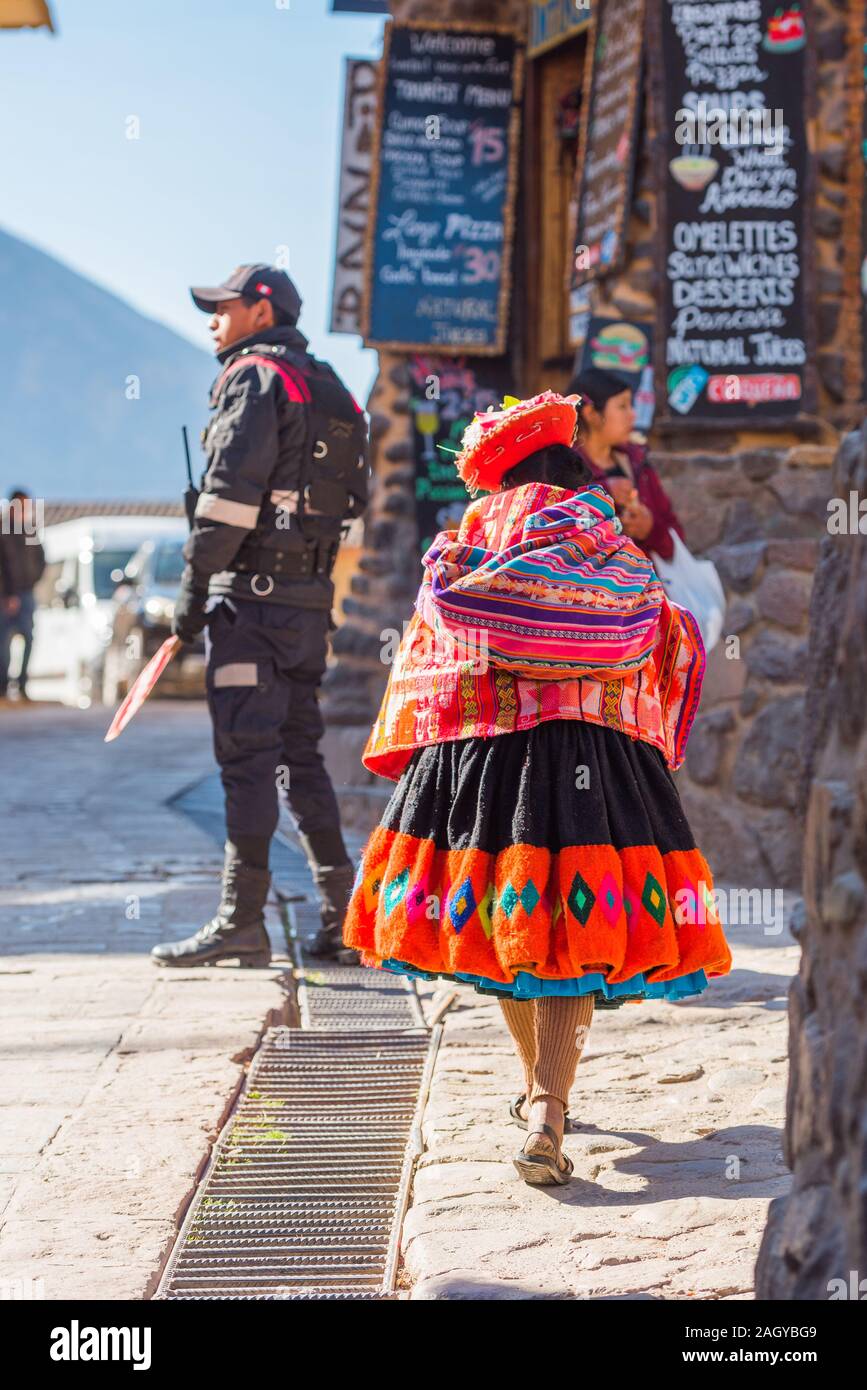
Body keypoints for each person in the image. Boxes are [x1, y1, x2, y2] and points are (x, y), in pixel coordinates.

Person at [343, 392, 731, 1186]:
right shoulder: (605, 536)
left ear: (498, 474)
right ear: (567, 462)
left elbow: (429, 653)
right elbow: (656, 628)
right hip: (593, 754)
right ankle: (547, 1104)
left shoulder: (469, 540)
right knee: (575, 930)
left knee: (509, 925)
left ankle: (537, 1100)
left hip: (487, 756)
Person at [151, 265, 368, 970]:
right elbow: (354, 499)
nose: (213, 318)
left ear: (262, 311)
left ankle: (241, 922)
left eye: (225, 306)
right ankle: (342, 918)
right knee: (300, 758)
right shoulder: (333, 387)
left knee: (247, 759)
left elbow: (227, 499)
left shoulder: (254, 378)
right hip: (307, 607)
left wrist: (192, 594)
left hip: (249, 605)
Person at [567, 366, 685, 561]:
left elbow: (677, 539)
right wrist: (604, 493)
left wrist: (650, 529)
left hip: (645, 578)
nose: (633, 415)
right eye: (623, 406)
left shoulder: (637, 463)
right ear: (592, 414)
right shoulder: (564, 468)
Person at [0, 489, 45, 703]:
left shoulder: (29, 531)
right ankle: (2, 685)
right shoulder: (3, 531)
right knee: (4, 640)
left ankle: (22, 683)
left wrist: (32, 580)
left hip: (27, 593)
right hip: (6, 595)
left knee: (29, 637)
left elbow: (41, 559)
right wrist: (8, 593)